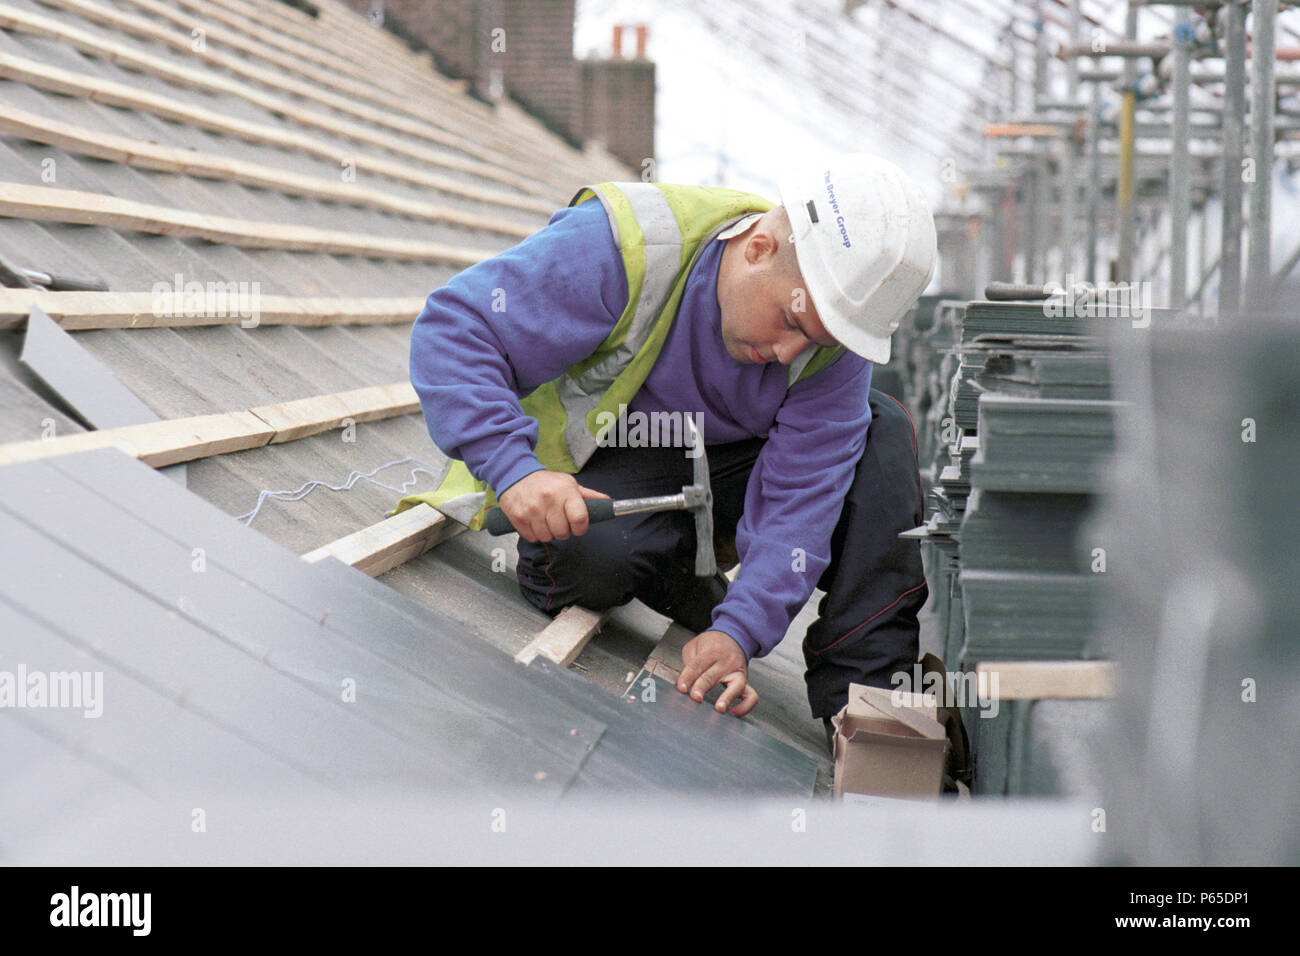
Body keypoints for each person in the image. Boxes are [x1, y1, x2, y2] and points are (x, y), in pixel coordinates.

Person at [398, 153, 936, 745]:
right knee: (588, 558)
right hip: (617, 456)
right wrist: (514, 469)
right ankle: (682, 569)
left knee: (880, 431)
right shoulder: (624, 246)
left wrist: (738, 633)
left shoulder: (832, 341)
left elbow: (802, 499)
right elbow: (455, 328)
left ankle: (867, 709)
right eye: (790, 321)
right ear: (758, 249)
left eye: (814, 340)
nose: (790, 352)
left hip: (731, 474)